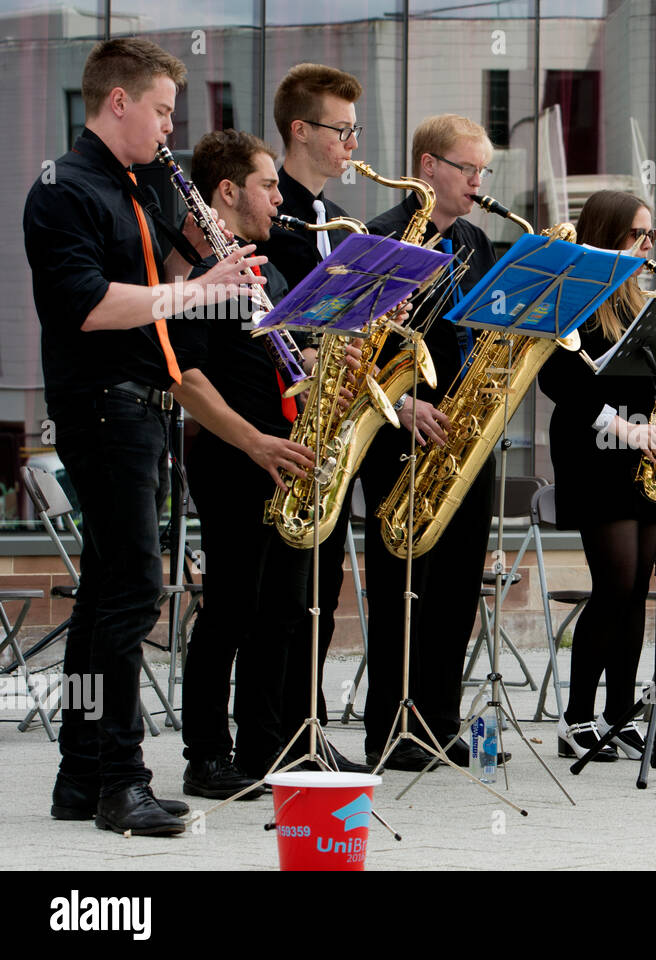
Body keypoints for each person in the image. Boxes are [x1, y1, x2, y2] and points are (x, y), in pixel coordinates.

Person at [22, 38, 280, 834]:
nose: (172, 129)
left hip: (138, 406)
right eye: (163, 110)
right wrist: (192, 289)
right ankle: (121, 781)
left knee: (104, 594)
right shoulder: (65, 189)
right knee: (134, 591)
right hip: (104, 404)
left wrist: (207, 272)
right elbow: (91, 306)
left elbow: (155, 293)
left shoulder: (139, 189)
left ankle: (82, 773)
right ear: (120, 102)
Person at [360, 114, 507, 772]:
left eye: (484, 171)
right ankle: (392, 726)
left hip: (465, 427)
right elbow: (351, 350)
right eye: (467, 168)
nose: (479, 181)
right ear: (428, 165)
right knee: (402, 584)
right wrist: (403, 403)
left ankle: (440, 721)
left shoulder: (476, 239)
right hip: (403, 425)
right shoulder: (382, 237)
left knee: (454, 587)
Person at [173, 129, 317, 796]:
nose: (279, 196)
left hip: (280, 454)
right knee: (231, 605)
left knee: (283, 608)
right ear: (227, 192)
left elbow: (294, 361)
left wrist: (341, 354)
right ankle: (206, 753)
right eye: (267, 184)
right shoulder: (197, 275)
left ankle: (268, 747)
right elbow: (188, 381)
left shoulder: (272, 271)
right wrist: (254, 442)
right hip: (232, 455)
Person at [258, 63, 368, 768]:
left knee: (321, 587)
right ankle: (274, 732)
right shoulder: (275, 218)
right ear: (300, 131)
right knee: (281, 591)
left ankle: (307, 724)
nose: (351, 144)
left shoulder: (336, 219)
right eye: (341, 130)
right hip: (283, 417)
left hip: (332, 417)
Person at [538, 190, 656, 761]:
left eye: (650, 234)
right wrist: (621, 424)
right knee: (614, 585)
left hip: (638, 448)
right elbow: (558, 380)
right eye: (637, 233)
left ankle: (619, 713)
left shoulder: (641, 297)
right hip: (593, 447)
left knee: (638, 590)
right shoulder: (577, 291)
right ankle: (578, 719)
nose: (646, 244)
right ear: (609, 234)